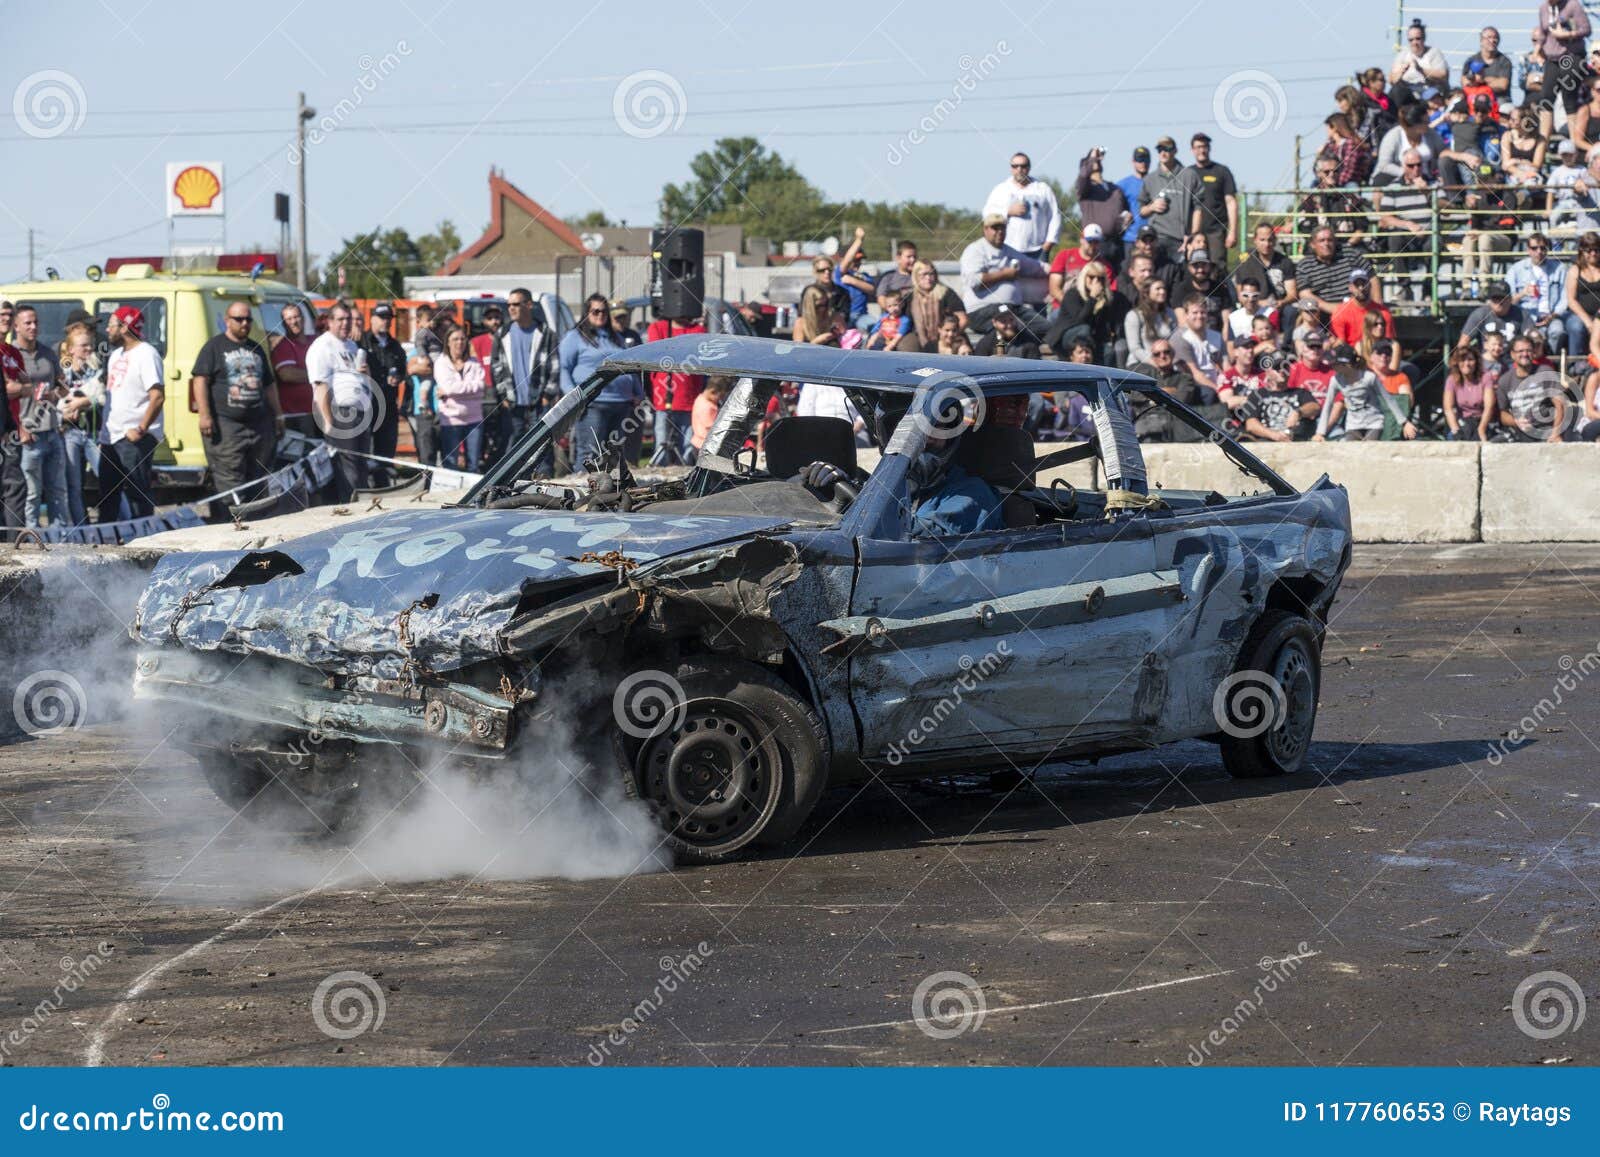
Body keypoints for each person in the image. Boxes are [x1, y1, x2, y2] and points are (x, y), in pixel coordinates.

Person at [191, 301, 282, 505]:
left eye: (248, 319)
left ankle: (257, 523)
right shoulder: (214, 347)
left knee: (257, 480)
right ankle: (232, 524)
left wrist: (279, 415)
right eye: (238, 319)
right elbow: (200, 381)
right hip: (227, 428)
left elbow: (269, 384)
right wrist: (204, 415)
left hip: (258, 426)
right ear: (227, 321)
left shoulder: (256, 349)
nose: (244, 323)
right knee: (230, 481)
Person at [560, 293, 645, 466]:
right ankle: (583, 489)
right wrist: (573, 398)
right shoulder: (575, 337)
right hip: (593, 405)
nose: (600, 315)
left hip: (622, 404)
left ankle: (610, 491)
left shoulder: (617, 338)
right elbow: (564, 369)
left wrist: (639, 392)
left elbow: (629, 367)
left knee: (615, 456)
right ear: (586, 313)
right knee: (590, 454)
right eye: (595, 311)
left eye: (604, 312)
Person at [98, 306, 164, 524]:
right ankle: (107, 543)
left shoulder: (147, 353)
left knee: (138, 494)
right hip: (111, 437)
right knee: (107, 495)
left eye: (111, 324)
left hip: (134, 437)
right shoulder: (115, 355)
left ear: (125, 326)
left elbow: (157, 396)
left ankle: (143, 544)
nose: (107, 329)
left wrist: (141, 429)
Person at [307, 301, 373, 502]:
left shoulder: (351, 345)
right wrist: (328, 423)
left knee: (361, 466)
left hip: (358, 413)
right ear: (329, 321)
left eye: (349, 319)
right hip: (339, 413)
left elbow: (361, 379)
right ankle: (352, 509)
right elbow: (320, 387)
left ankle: (361, 510)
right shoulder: (322, 346)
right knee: (349, 469)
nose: (346, 323)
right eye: (341, 319)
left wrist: (365, 373)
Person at [9, 307, 67, 529]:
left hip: (52, 431)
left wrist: (55, 393)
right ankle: (30, 541)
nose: (33, 327)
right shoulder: (10, 355)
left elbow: (62, 384)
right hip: (27, 434)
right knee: (32, 494)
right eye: (27, 323)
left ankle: (60, 540)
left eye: (35, 322)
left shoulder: (48, 353)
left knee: (57, 491)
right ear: (16, 326)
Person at [1313, 344, 1415, 441]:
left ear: (1348, 364)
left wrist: (1404, 422)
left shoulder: (1369, 377)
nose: (1332, 366)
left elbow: (1389, 399)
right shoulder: (1335, 380)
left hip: (1374, 423)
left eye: (1336, 364)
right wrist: (1320, 432)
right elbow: (1328, 405)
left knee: (1369, 449)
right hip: (1352, 425)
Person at [645, 312, 705, 465]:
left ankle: (686, 480)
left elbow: (698, 352)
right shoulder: (657, 327)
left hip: (689, 399)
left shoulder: (698, 330)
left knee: (687, 446)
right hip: (663, 398)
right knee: (661, 445)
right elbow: (658, 354)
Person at [56, 323, 102, 527]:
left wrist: (81, 402)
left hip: (95, 433)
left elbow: (102, 397)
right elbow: (55, 402)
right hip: (70, 433)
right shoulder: (63, 373)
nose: (89, 350)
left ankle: (122, 523)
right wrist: (66, 410)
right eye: (84, 346)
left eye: (90, 345)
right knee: (74, 485)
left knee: (109, 480)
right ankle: (81, 528)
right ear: (72, 349)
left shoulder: (96, 370)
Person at [959, 214, 1048, 311]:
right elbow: (974, 281)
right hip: (983, 309)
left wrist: (1057, 269)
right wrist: (1004, 274)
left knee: (1044, 326)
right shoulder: (975, 250)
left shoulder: (1010, 251)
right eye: (995, 228)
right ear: (985, 229)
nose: (1000, 232)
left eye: (1003, 228)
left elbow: (1035, 267)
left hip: (1013, 309)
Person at [501, 287, 551, 458]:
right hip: (514, 403)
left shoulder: (545, 332)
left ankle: (543, 479)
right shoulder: (503, 333)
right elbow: (496, 366)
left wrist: (547, 396)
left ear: (529, 305)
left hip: (538, 402)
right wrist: (503, 395)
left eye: (516, 304)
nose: (511, 308)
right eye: (509, 305)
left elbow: (555, 365)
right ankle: (508, 482)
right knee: (513, 447)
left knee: (541, 446)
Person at [982, 152, 1060, 260]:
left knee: (1038, 277)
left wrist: (1049, 243)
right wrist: (1008, 211)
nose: (1019, 169)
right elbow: (987, 214)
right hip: (1008, 249)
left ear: (1029, 167)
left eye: (1023, 166)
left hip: (1037, 252)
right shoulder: (1001, 190)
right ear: (1011, 168)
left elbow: (1055, 216)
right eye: (1015, 166)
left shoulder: (1042, 189)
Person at [361, 303, 408, 483]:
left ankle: (383, 487)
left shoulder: (395, 345)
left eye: (389, 318)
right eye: (382, 317)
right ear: (372, 319)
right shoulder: (362, 341)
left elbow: (403, 369)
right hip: (367, 407)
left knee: (386, 452)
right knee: (365, 452)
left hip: (388, 406)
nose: (386, 322)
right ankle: (363, 487)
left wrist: (398, 378)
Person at [1505, 233, 1574, 355]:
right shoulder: (1516, 270)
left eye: (1543, 248)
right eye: (1534, 248)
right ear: (1528, 250)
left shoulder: (1560, 269)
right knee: (1524, 335)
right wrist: (1523, 293)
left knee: (1557, 332)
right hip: (1525, 317)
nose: (1539, 251)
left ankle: (1550, 363)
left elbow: (1565, 298)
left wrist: (1553, 315)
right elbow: (1507, 301)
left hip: (1552, 316)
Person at [1296, 226, 1377, 325]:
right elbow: (1304, 294)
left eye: (1330, 240)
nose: (1326, 244)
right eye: (1321, 240)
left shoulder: (1350, 254)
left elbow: (1372, 278)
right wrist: (1335, 308)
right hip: (1323, 313)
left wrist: (1377, 307)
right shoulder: (1305, 265)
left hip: (1356, 308)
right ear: (1313, 244)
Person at [432, 326, 486, 473]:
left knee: (473, 464)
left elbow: (481, 387)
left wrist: (452, 391)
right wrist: (470, 389)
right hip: (451, 420)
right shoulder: (441, 363)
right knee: (450, 465)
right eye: (455, 339)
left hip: (474, 419)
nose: (459, 342)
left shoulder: (474, 362)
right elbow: (447, 386)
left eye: (462, 339)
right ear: (447, 342)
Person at [1237, 349, 1320, 442]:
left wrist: (1298, 413)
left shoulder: (1300, 392)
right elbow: (1251, 425)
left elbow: (1315, 407)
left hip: (1297, 441)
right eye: (1277, 368)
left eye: (1285, 366)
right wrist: (1274, 435)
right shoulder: (1258, 395)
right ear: (1268, 372)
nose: (1282, 371)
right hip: (1267, 443)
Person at [1536, 0, 1591, 140]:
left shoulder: (1572, 5)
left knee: (1569, 97)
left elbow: (1586, 29)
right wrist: (1537, 50)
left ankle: (1575, 141)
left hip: (1572, 56)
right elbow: (1542, 33)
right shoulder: (1543, 8)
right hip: (1552, 59)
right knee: (1546, 98)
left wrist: (1567, 35)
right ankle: (1543, 142)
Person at [1044, 263, 1121, 362]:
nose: (1096, 281)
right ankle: (1080, 357)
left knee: (1108, 351)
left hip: (1090, 339)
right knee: (1084, 329)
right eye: (1092, 277)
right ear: (1084, 277)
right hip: (1066, 336)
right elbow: (1080, 320)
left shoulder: (1104, 299)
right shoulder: (1072, 294)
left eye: (1100, 278)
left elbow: (1101, 327)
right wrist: (1092, 298)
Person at [1495, 333, 1566, 439]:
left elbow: (1560, 405)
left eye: (1528, 350)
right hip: (1519, 431)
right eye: (1520, 351)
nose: (1525, 354)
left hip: (1545, 428)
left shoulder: (1545, 372)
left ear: (1533, 353)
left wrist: (1555, 434)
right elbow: (1502, 414)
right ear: (1512, 354)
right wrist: (1516, 422)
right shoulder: (1505, 380)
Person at [1139, 135, 1198, 263]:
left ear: (1175, 151)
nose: (1163, 153)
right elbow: (1141, 212)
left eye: (1167, 149)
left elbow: (1199, 209)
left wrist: (1193, 237)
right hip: (1157, 239)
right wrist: (1152, 207)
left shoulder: (1189, 176)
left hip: (1181, 241)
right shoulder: (1150, 179)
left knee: (1178, 280)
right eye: (1160, 149)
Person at [1184, 132, 1238, 267]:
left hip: (1216, 232)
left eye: (1204, 146)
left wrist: (1232, 232)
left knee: (1217, 269)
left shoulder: (1221, 171)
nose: (1201, 150)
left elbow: (1231, 202)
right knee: (1193, 267)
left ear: (1209, 148)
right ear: (1192, 150)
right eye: (1198, 147)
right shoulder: (1187, 173)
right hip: (1192, 233)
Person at [1074, 148, 1132, 268]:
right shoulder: (1085, 189)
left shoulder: (1115, 189)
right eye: (1092, 162)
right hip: (1095, 243)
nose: (1097, 163)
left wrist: (1126, 220)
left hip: (1116, 243)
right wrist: (1093, 157)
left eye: (1098, 161)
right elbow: (1083, 176)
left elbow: (1123, 212)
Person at [1233, 223, 1299, 323]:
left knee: (1291, 312)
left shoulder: (1285, 262)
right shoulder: (1245, 259)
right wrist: (1258, 303)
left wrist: (1280, 303)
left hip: (1279, 305)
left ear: (1275, 240)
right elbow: (1240, 294)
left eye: (1270, 240)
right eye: (1262, 240)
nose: (1267, 244)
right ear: (1255, 240)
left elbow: (1292, 293)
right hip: (1252, 305)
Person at [268, 303, 315, 435]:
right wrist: (320, 375)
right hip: (296, 416)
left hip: (319, 412)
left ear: (303, 318)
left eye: (296, 317)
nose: (293, 322)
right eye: (289, 319)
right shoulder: (283, 346)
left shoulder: (315, 341)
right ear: (283, 323)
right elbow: (287, 374)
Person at [1375, 102, 1448, 184]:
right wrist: (1407, 174)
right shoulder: (1393, 136)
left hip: (1426, 179)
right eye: (1425, 122)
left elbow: (1444, 151)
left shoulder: (1430, 133)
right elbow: (1384, 165)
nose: (1428, 124)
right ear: (1412, 125)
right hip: (1395, 180)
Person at [1328, 268, 1395, 349]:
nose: (1361, 288)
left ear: (1370, 285)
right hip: (1350, 356)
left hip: (1377, 354)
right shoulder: (1340, 312)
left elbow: (1388, 342)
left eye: (1364, 284)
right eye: (1357, 285)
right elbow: (1339, 344)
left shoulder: (1383, 313)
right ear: (1350, 287)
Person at [1049, 224, 1114, 307]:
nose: (1093, 245)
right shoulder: (1065, 256)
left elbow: (1109, 292)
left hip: (1092, 309)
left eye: (1096, 242)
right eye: (1090, 241)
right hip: (1063, 308)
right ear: (1081, 240)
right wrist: (1072, 307)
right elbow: (1054, 289)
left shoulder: (1105, 266)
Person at [1170, 295, 1224, 393]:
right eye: (1195, 313)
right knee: (1208, 393)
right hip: (1194, 387)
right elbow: (1194, 374)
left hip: (1217, 384)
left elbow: (1225, 365)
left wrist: (1227, 386)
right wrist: (1218, 389)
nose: (1199, 316)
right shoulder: (1180, 338)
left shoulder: (1216, 336)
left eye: (1202, 312)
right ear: (1186, 314)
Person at [1390, 18, 1449, 106]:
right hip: (1408, 91)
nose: (1414, 42)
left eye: (1418, 39)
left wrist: (1421, 70)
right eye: (1411, 40)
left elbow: (1443, 74)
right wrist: (1402, 71)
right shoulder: (1402, 55)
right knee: (1396, 91)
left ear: (1423, 38)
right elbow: (1392, 79)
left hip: (1428, 90)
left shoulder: (1434, 53)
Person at [907, 260, 966, 347]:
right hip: (919, 338)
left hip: (946, 338)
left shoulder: (946, 293)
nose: (928, 278)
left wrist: (949, 335)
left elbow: (963, 319)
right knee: (908, 344)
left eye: (931, 274)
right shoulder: (910, 296)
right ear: (916, 276)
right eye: (924, 274)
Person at [1443, 344, 1496, 440]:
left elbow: (1489, 407)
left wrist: (1481, 429)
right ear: (1457, 363)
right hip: (1462, 422)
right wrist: (1456, 430)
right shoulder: (1451, 380)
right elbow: (1448, 408)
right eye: (1462, 360)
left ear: (1476, 362)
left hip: (1483, 421)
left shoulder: (1486, 377)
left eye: (1470, 360)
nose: (1466, 364)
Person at [1458, 281, 1527, 348]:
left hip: (1513, 358)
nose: (1499, 302)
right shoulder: (1480, 314)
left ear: (1510, 299)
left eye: (1503, 298)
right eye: (1495, 298)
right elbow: (1463, 342)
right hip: (1486, 358)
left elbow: (1531, 336)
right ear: (1490, 300)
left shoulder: (1520, 313)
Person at [1125, 280, 1177, 366]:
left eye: (1164, 288)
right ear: (1146, 293)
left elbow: (1174, 341)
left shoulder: (1170, 313)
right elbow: (1135, 348)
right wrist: (1154, 362)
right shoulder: (1134, 315)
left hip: (1166, 363)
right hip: (1141, 364)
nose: (1162, 291)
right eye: (1158, 289)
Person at [794, 258, 846, 344]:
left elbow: (846, 340)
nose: (827, 272)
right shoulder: (801, 323)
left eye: (829, 269)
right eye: (822, 270)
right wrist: (817, 341)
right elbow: (798, 351)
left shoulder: (841, 294)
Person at [833, 227, 876, 323]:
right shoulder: (839, 273)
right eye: (855, 260)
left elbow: (872, 289)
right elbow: (846, 261)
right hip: (844, 315)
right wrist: (859, 239)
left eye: (860, 260)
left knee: (874, 326)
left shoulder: (863, 276)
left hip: (862, 316)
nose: (858, 263)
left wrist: (853, 281)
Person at [405, 351, 440, 468]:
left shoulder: (444, 350)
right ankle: (426, 484)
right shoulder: (416, 351)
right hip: (424, 411)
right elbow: (412, 369)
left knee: (447, 454)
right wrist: (440, 368)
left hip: (446, 409)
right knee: (426, 453)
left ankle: (446, 484)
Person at [1116, 146, 1151, 254]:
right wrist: (1124, 215)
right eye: (1139, 160)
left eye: (1145, 160)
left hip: (1151, 237)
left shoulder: (1155, 182)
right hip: (1130, 238)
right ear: (1133, 161)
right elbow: (1114, 210)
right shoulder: (1122, 185)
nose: (1143, 163)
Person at [972, 306, 1040, 359]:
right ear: (994, 323)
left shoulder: (1028, 341)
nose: (1009, 325)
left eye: (1011, 320)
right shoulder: (985, 343)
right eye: (1003, 321)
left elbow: (1034, 366)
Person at [690, 376, 729, 459]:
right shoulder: (709, 407)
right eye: (721, 396)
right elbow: (712, 428)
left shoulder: (699, 398)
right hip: (705, 445)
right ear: (713, 392)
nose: (720, 400)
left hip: (696, 442)